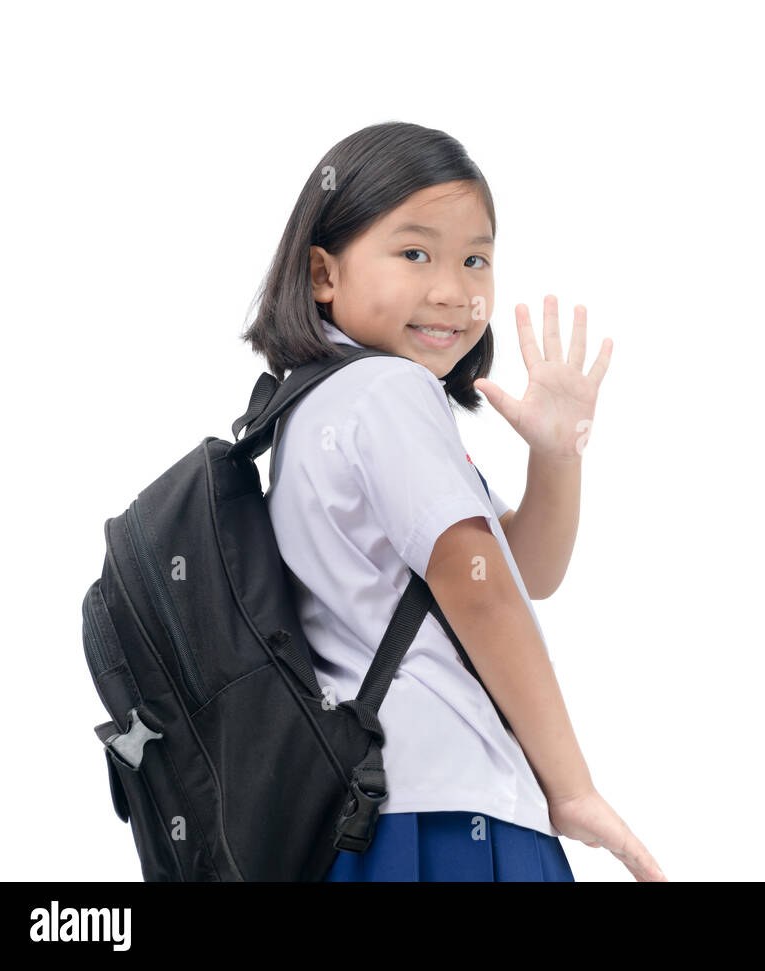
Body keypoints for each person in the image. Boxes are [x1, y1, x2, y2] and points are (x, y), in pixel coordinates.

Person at [241, 121, 666, 882]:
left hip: (376, 816)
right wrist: (570, 787)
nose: (453, 289)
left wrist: (554, 454)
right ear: (323, 273)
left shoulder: (321, 403)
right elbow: (488, 598)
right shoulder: (388, 392)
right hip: (443, 821)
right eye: (415, 253)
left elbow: (523, 565)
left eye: (476, 259)